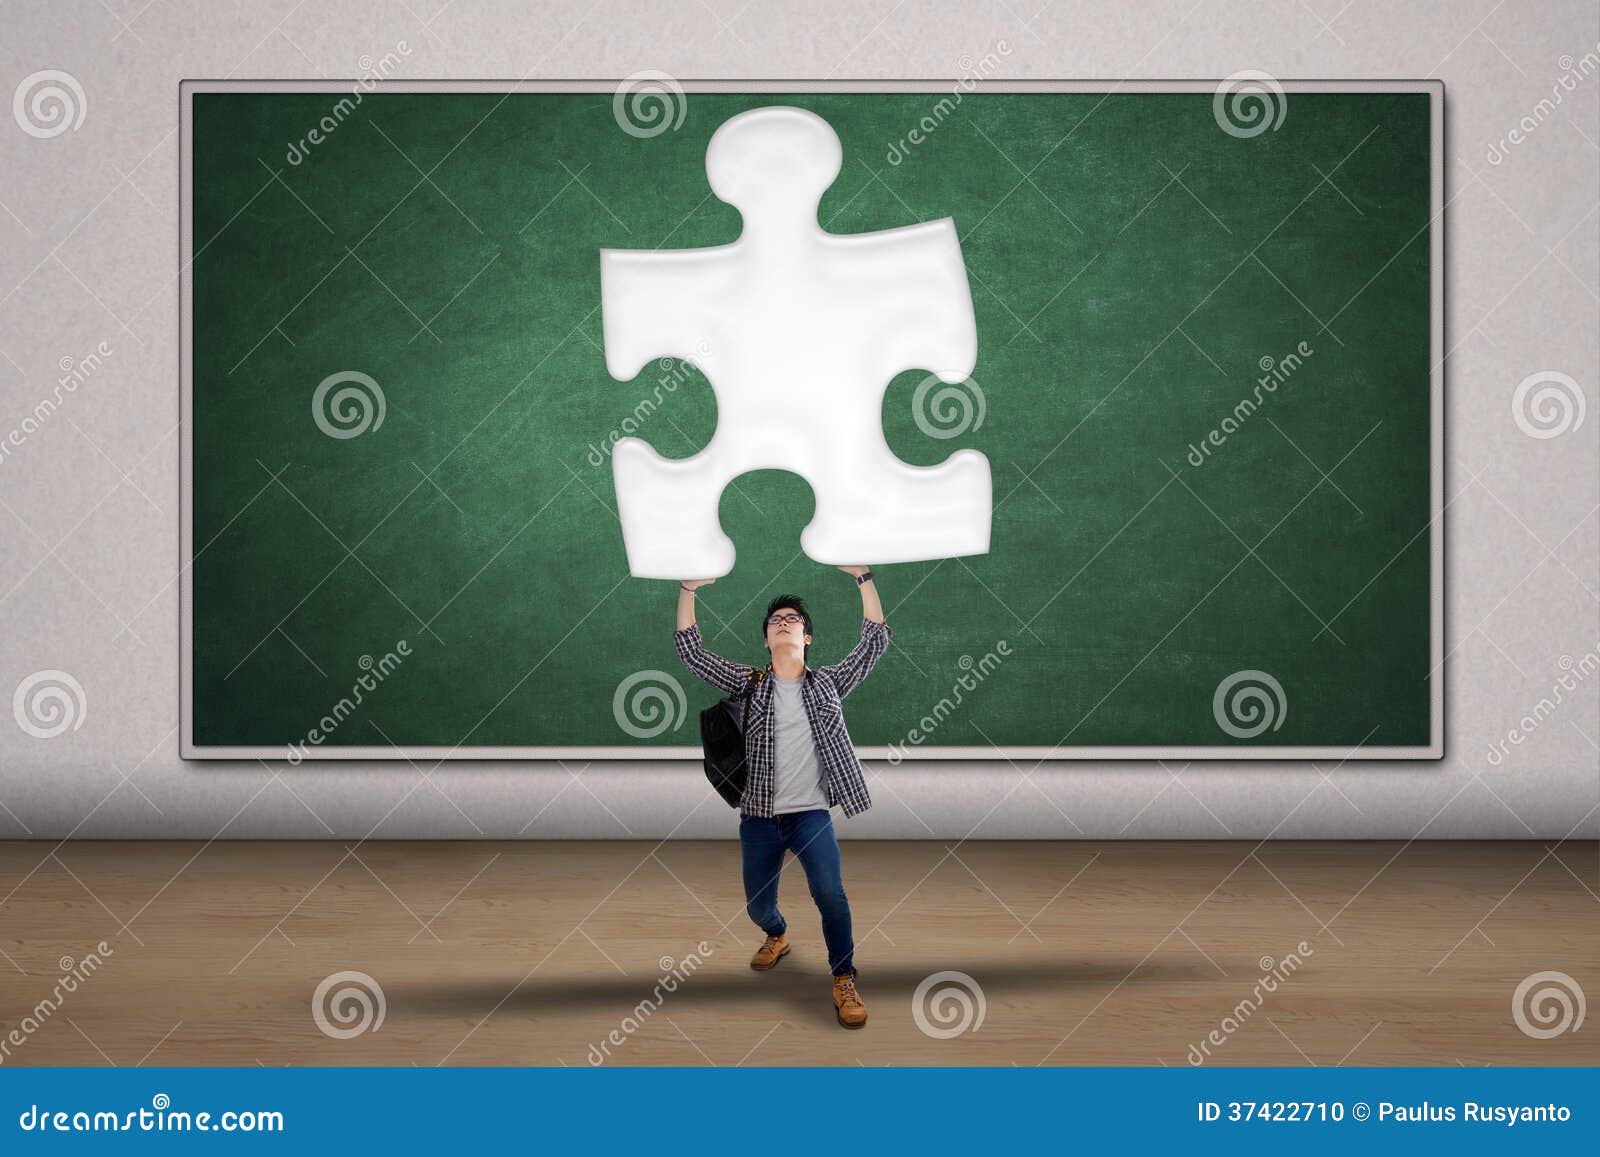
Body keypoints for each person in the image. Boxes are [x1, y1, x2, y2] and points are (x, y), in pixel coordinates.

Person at [673, 566, 889, 1028]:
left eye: (794, 620)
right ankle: (777, 933)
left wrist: (863, 577)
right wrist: (688, 588)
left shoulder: (829, 683)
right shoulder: (750, 683)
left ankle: (844, 977)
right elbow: (691, 653)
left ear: (806, 638)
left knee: (831, 893)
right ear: (767, 640)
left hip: (811, 815)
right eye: (776, 621)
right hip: (759, 818)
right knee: (757, 905)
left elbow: (874, 642)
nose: (785, 623)